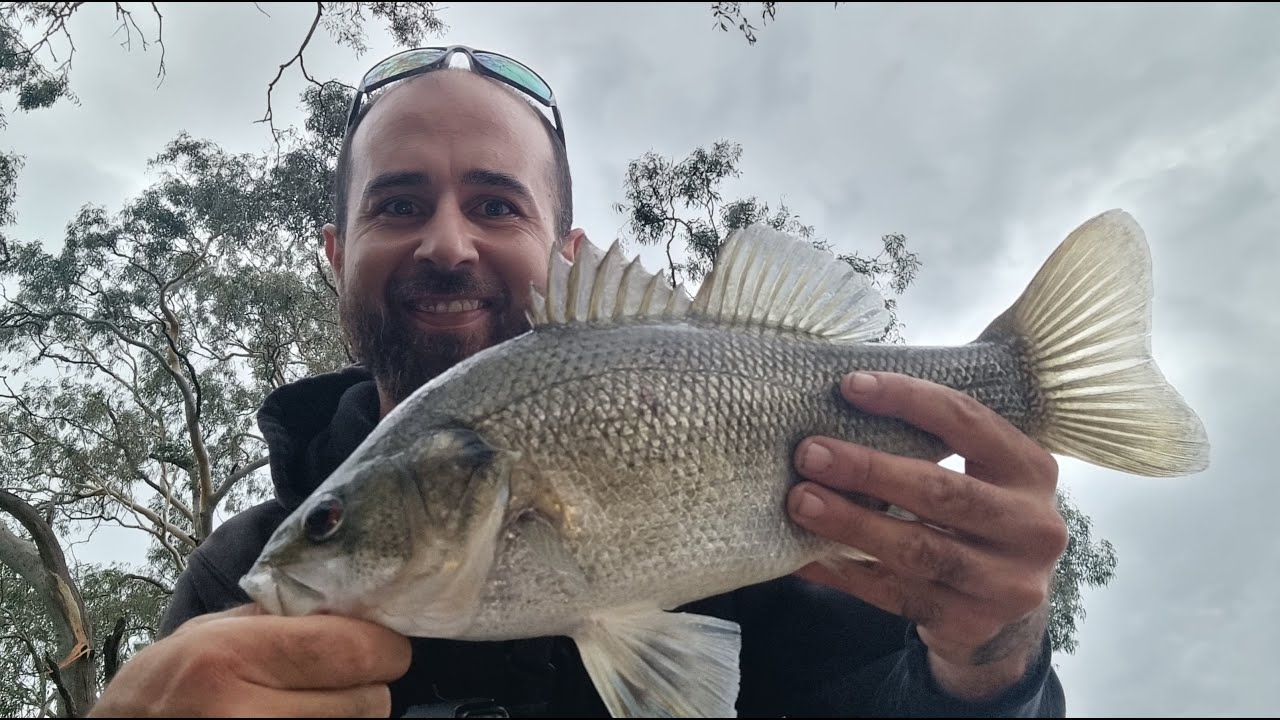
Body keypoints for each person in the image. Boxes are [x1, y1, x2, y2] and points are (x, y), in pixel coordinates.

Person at [89, 45, 1068, 718]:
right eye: (397, 203)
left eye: (493, 203)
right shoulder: (242, 577)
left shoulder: (808, 566)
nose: (444, 241)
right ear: (338, 255)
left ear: (563, 252)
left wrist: (991, 659)